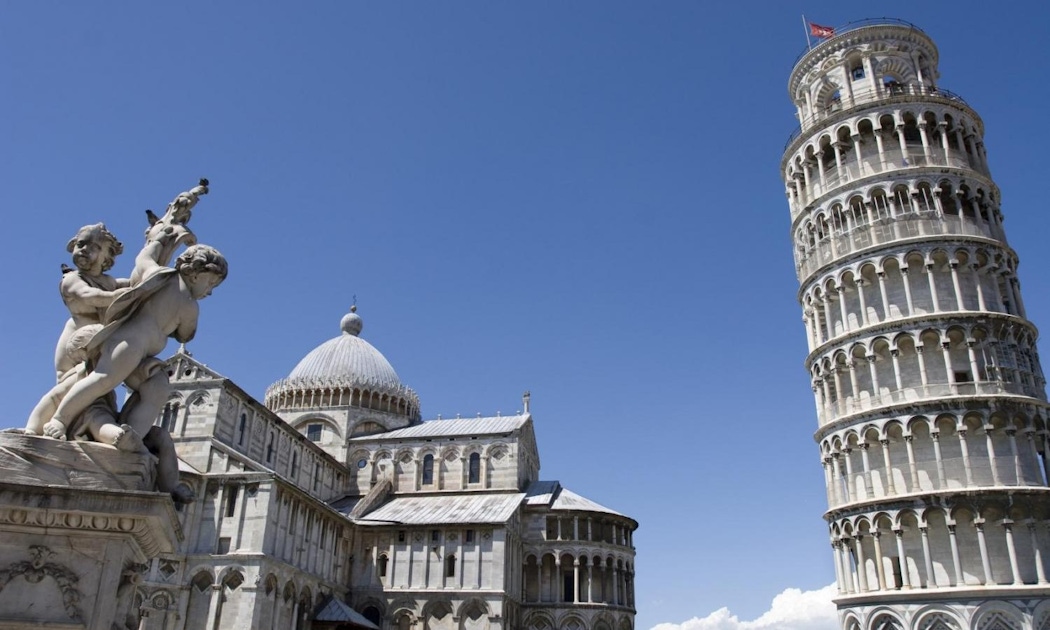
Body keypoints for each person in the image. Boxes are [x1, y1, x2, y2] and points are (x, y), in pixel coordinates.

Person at [42, 244, 227, 443]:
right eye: (211, 284)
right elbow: (185, 335)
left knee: (157, 387)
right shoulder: (190, 307)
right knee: (102, 380)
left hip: (142, 357)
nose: (210, 292)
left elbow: (143, 258)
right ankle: (60, 420)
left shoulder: (156, 275)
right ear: (196, 275)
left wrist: (157, 243)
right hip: (129, 345)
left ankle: (129, 437)